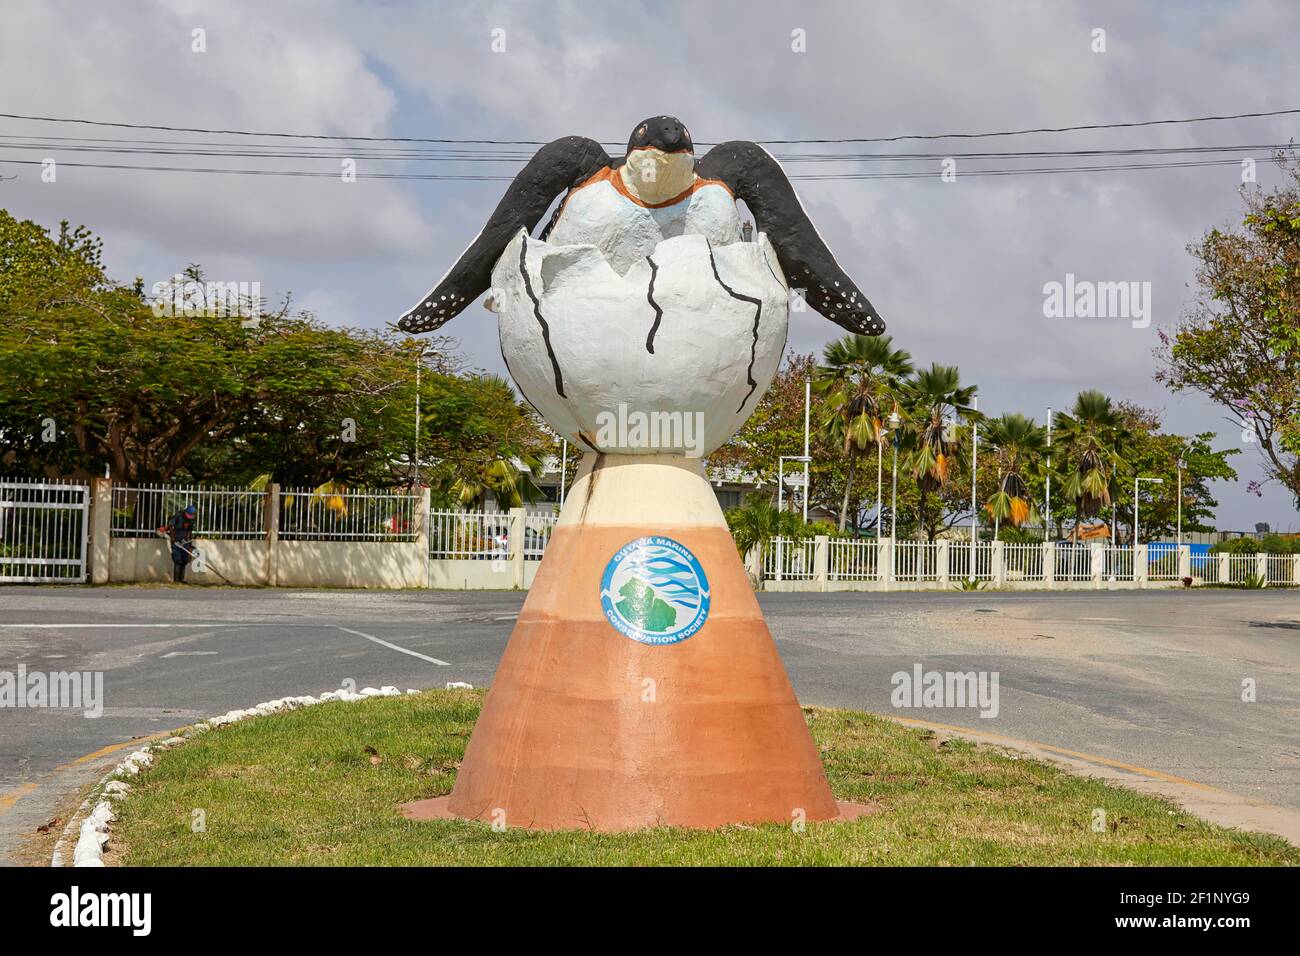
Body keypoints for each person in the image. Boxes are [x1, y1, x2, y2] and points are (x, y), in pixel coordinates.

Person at [158, 504, 197, 583]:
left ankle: (182, 579)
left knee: (185, 559)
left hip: (185, 541)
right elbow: (171, 527)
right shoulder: (178, 516)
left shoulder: (191, 519)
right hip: (176, 540)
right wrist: (173, 538)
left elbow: (190, 530)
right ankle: (176, 580)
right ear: (186, 512)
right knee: (177, 559)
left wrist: (189, 542)